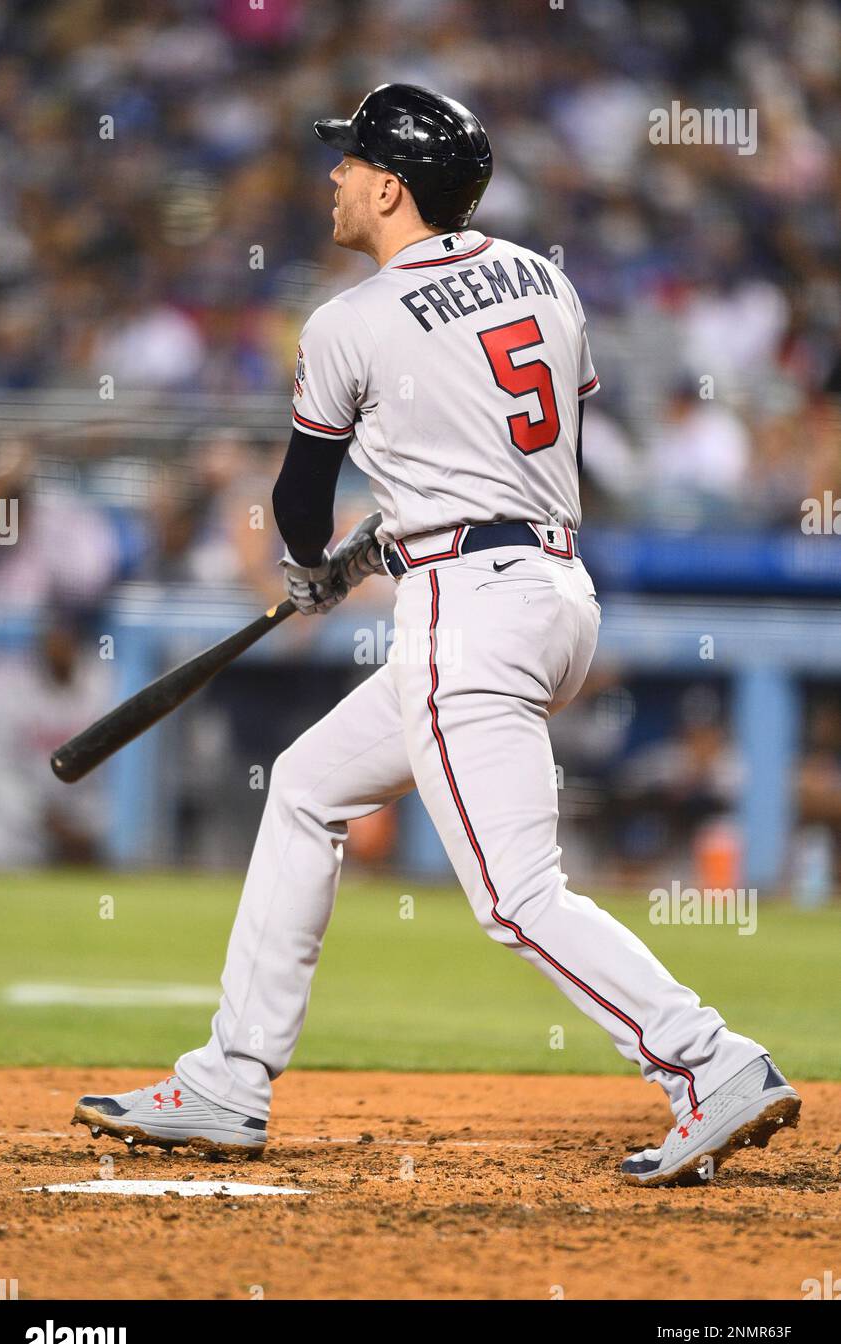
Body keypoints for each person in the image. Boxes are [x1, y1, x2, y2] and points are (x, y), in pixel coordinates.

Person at [75, 85, 800, 1186]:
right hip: (550, 591)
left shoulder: (347, 320)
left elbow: (300, 504)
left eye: (349, 160)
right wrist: (394, 536)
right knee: (309, 784)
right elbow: (501, 441)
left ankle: (708, 1061)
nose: (332, 175)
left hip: (468, 617)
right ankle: (230, 1077)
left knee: (514, 895)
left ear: (388, 185)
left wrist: (319, 568)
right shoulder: (544, 276)